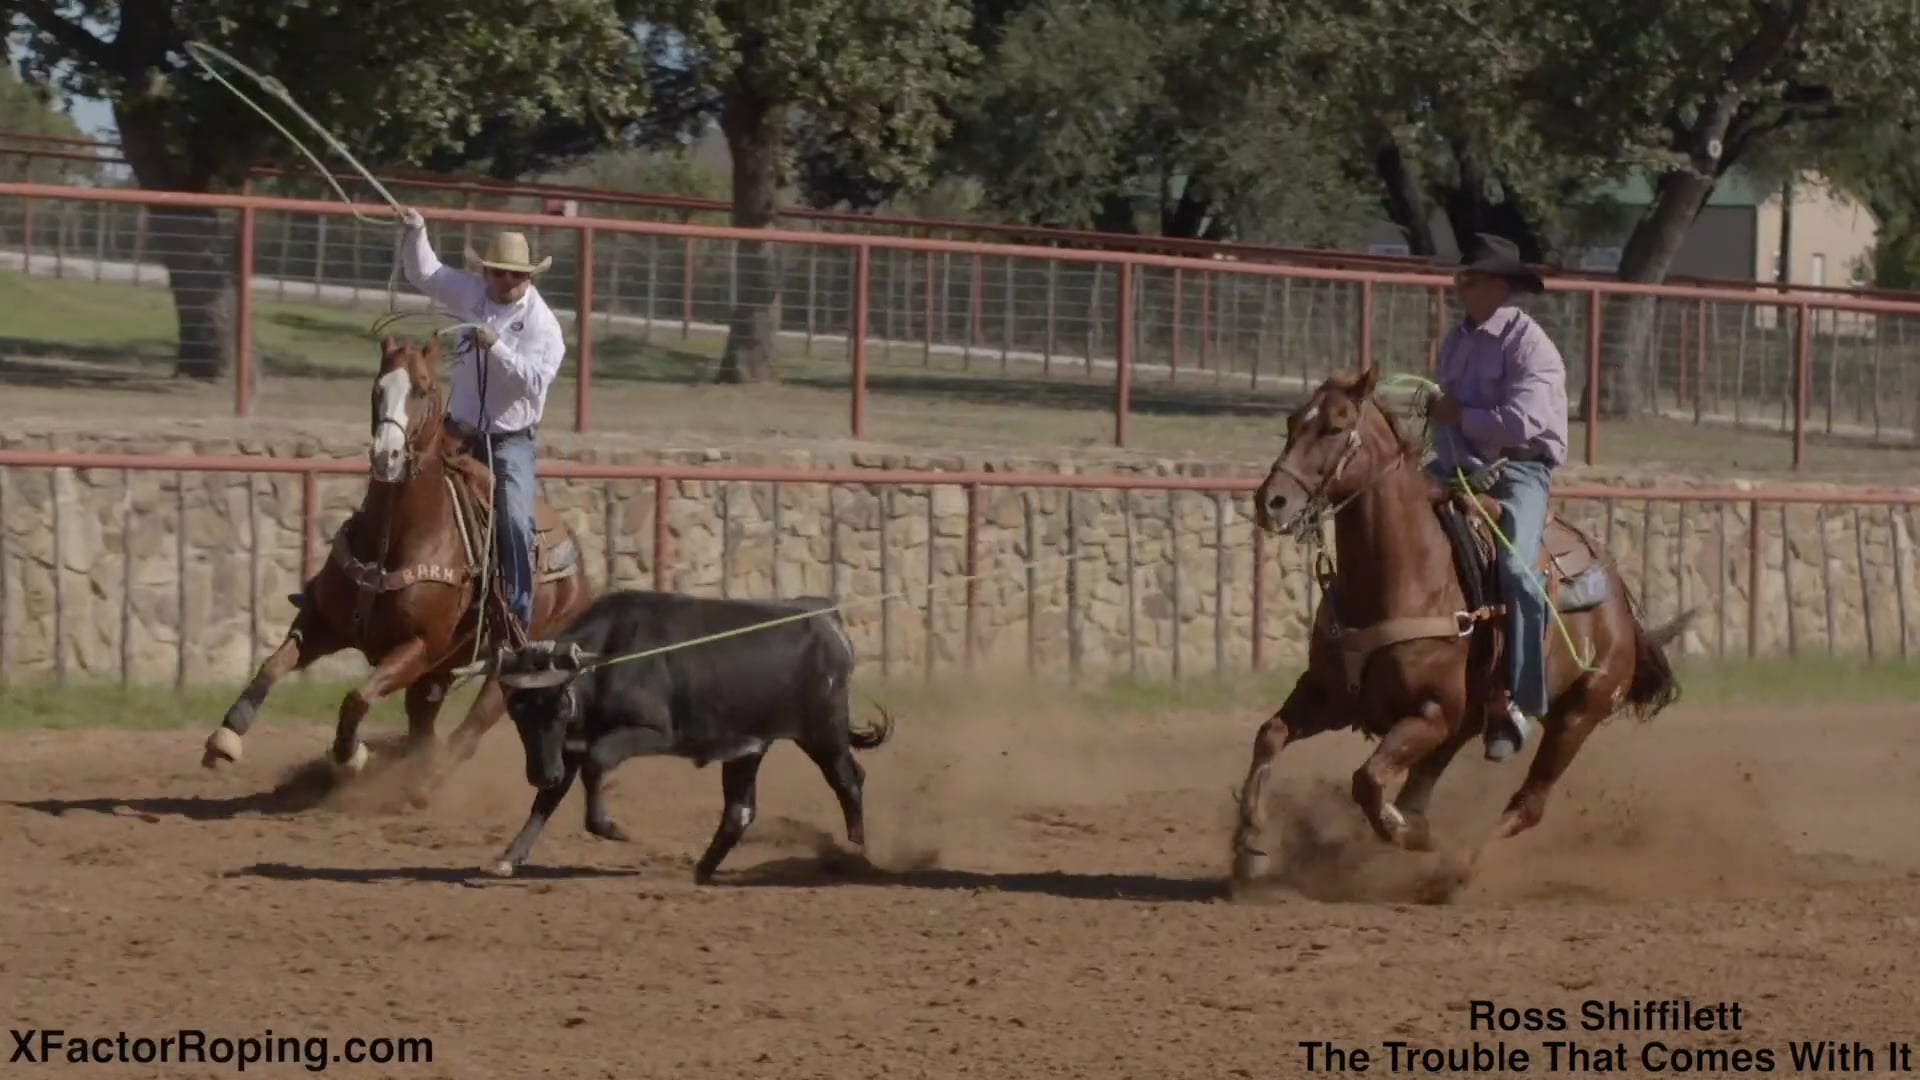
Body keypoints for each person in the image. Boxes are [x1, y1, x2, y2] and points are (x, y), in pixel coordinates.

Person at [1425, 233, 1569, 762]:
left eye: (1473, 277)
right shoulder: (1459, 339)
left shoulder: (1531, 346)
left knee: (1517, 569)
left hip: (1521, 471)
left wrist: (1458, 416)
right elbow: (1442, 407)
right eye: (1461, 276)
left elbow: (1524, 421)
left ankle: (1522, 700)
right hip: (1458, 464)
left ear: (1501, 286)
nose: (1461, 285)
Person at [397, 206, 566, 645]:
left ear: (529, 278)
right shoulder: (469, 293)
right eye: (497, 273)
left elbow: (534, 384)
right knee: (401, 476)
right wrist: (417, 231)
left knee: (513, 518)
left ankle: (517, 618)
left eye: (515, 275)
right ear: (485, 272)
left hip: (510, 441)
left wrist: (499, 348)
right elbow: (425, 274)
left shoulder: (544, 326)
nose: (505, 282)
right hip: (459, 430)